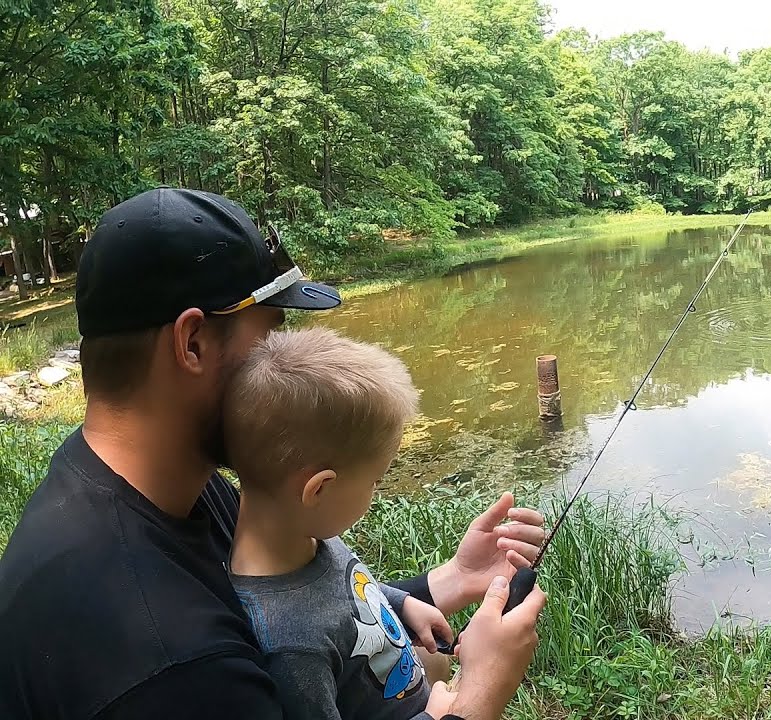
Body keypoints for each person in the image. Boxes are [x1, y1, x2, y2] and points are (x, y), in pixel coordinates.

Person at [0, 188, 546, 720]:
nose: (287, 361)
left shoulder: (157, 483)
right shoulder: (168, 661)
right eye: (272, 335)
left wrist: (446, 581)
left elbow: (288, 609)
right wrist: (481, 694)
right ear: (192, 344)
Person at [225, 327, 460, 719]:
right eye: (374, 481)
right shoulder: (294, 649)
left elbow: (346, 589)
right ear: (319, 489)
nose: (376, 490)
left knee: (437, 664)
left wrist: (401, 603)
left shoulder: (303, 535)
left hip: (405, 684)